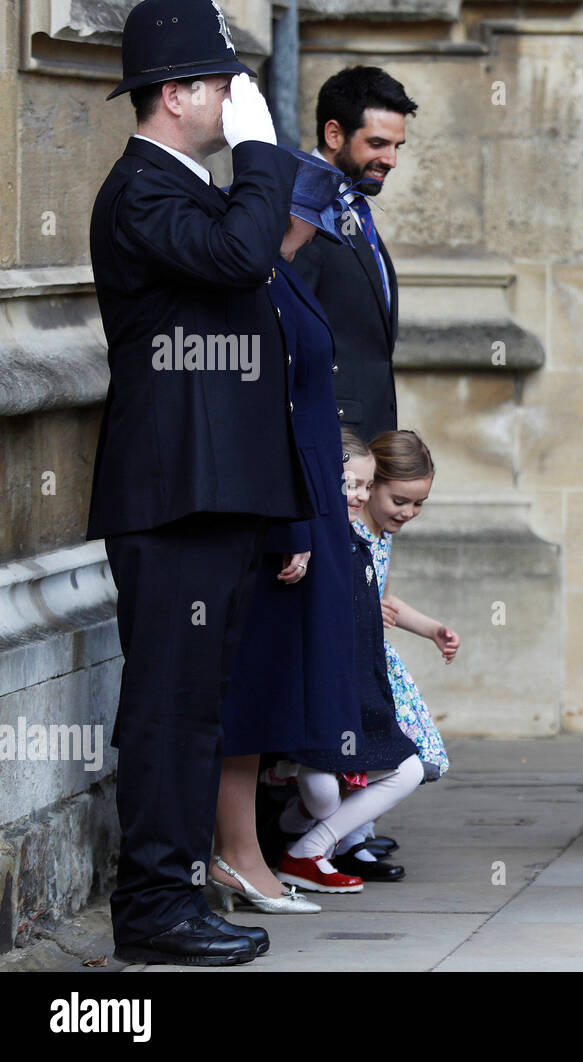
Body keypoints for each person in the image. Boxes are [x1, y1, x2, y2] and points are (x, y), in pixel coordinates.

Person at [89, 0, 312, 966]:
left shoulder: (184, 186)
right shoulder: (143, 190)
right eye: (224, 83)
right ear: (176, 94)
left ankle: (174, 897)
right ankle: (150, 911)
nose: (237, 99)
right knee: (168, 708)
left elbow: (246, 262)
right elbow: (242, 253)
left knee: (195, 706)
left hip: (211, 494)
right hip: (172, 495)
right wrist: (262, 156)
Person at [210, 149, 364, 915]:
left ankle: (244, 854)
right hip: (281, 516)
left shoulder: (282, 275)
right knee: (252, 696)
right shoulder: (254, 281)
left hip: (302, 505)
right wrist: (293, 523)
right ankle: (237, 856)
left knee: (269, 695)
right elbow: (266, 414)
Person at [274, 432, 423, 894]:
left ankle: (306, 851)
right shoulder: (308, 544)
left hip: (358, 694)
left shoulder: (360, 543)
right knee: (321, 795)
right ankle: (302, 833)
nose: (358, 495)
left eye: (365, 485)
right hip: (315, 695)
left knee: (411, 769)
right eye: (349, 485)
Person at [293, 66, 418, 441]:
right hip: (330, 442)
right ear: (334, 134)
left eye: (397, 146)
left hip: (366, 443)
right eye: (378, 144)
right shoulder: (300, 209)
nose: (391, 160)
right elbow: (288, 340)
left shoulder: (356, 206)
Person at [355, 430, 460, 784]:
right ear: (370, 486)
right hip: (353, 660)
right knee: (381, 754)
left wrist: (432, 630)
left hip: (376, 657)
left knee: (402, 757)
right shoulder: (351, 533)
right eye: (399, 500)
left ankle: (361, 834)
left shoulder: (381, 536)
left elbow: (386, 601)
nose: (409, 512)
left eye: (418, 504)